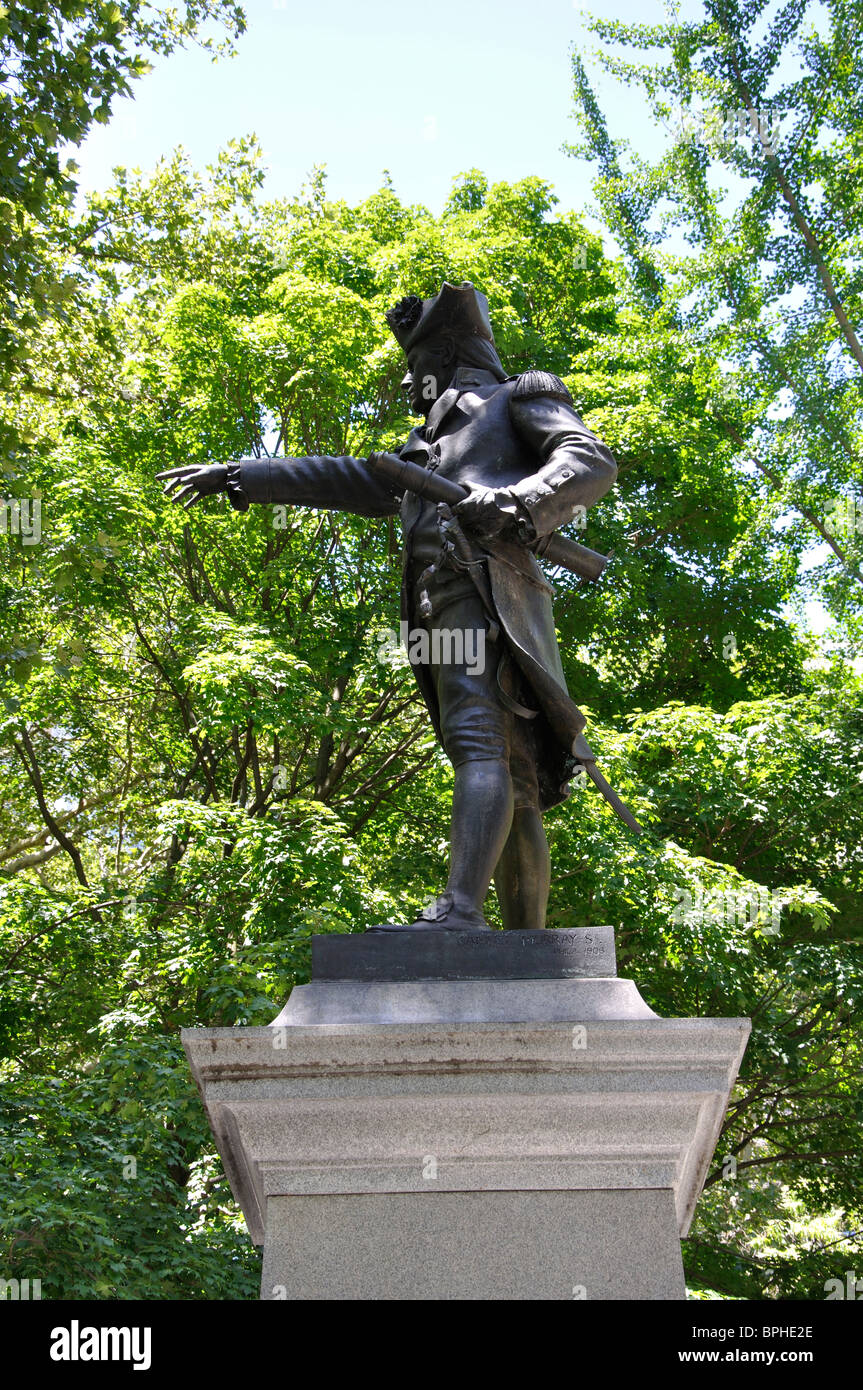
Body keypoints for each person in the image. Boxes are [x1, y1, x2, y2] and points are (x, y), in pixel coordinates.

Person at [159, 281, 625, 933]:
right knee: (510, 774)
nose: (413, 387)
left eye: (418, 369)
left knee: (479, 741)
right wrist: (241, 475)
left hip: (487, 591)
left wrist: (518, 501)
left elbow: (587, 460)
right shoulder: (418, 450)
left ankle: (460, 914)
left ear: (448, 357)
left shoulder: (517, 395)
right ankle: (527, 950)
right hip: (436, 608)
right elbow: (341, 476)